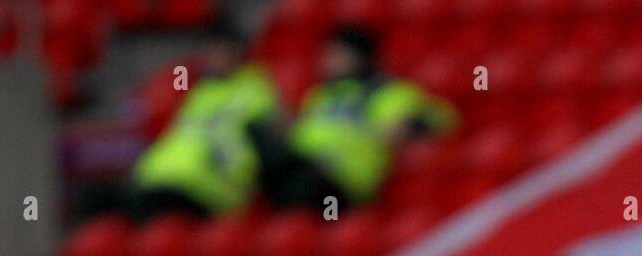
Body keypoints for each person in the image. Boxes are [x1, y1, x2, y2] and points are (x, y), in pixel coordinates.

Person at [254, 24, 458, 211]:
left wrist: (411, 124)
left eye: (336, 55)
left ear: (359, 57)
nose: (327, 61)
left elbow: (442, 118)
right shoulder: (323, 95)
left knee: (287, 173)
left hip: (344, 181)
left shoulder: (385, 92)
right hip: (303, 167)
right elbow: (302, 134)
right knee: (259, 138)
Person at [129, 23, 280, 219]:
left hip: (209, 187)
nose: (211, 57)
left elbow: (267, 144)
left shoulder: (256, 89)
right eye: (208, 50)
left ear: (237, 52)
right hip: (158, 178)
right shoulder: (201, 92)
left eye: (219, 50)